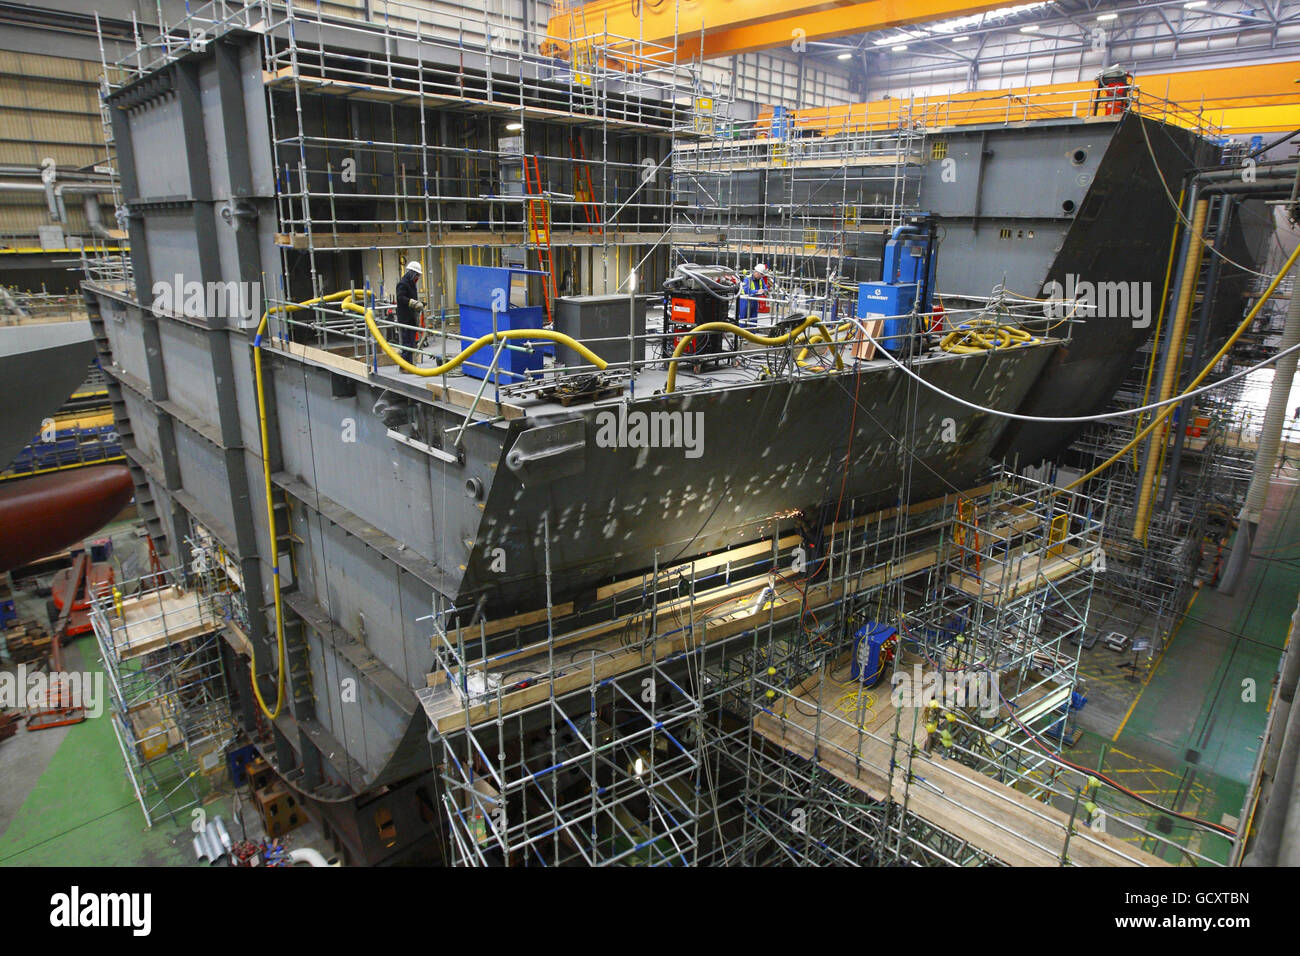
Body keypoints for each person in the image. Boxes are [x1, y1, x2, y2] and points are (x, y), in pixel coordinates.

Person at [395, 260, 424, 363]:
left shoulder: (412, 284)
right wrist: (413, 303)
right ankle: (404, 366)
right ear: (412, 273)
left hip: (411, 318)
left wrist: (419, 303)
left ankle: (410, 364)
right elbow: (401, 297)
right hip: (405, 319)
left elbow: (411, 297)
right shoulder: (402, 284)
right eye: (417, 275)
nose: (418, 278)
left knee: (412, 343)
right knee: (407, 344)